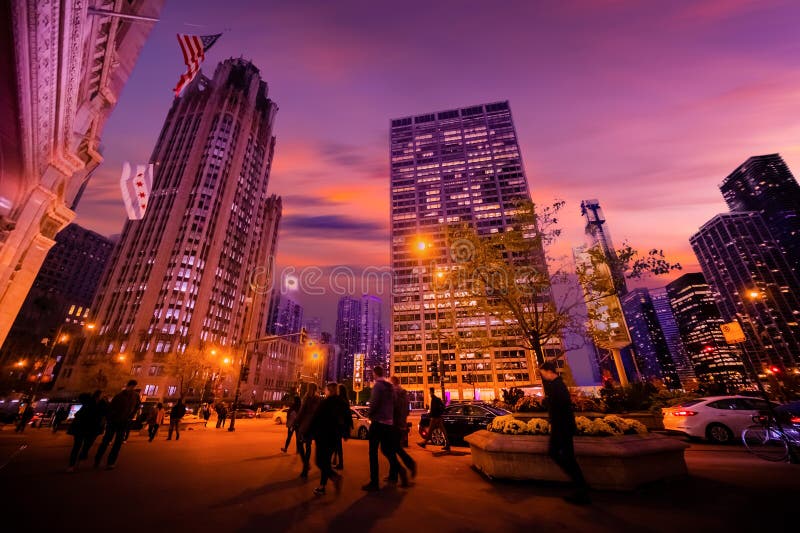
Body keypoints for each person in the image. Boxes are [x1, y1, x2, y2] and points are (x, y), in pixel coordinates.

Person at [539, 361, 590, 505]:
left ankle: (581, 487)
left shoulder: (556, 385)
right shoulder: (558, 384)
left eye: (542, 373)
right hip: (564, 426)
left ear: (549, 371)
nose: (543, 376)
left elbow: (559, 404)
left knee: (556, 453)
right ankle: (581, 488)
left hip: (561, 427)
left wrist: (545, 402)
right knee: (568, 457)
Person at [362, 366, 406, 491]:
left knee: (373, 453)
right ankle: (399, 473)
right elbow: (395, 402)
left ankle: (374, 482)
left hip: (378, 423)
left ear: (375, 374)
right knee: (389, 450)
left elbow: (374, 403)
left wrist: (369, 415)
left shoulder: (378, 386)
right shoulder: (390, 387)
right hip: (388, 423)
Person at [94, 380, 140, 469]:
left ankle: (111, 462)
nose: (132, 388)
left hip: (123, 421)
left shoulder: (135, 396)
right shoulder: (119, 396)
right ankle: (97, 459)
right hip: (114, 421)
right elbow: (111, 408)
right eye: (131, 386)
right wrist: (111, 418)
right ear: (127, 386)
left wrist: (131, 415)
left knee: (118, 443)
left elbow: (137, 405)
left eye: (133, 387)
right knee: (106, 441)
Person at [309, 383, 344, 496]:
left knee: (319, 461)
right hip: (334, 438)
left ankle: (335, 477)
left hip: (323, 437)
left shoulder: (326, 403)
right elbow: (345, 418)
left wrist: (308, 432)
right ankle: (322, 486)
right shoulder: (341, 402)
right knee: (326, 462)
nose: (325, 391)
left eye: (326, 390)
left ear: (330, 390)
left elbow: (316, 418)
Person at [389, 376, 417, 483]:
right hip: (401, 424)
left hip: (394, 425)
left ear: (393, 383)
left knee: (390, 449)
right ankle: (393, 475)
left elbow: (393, 409)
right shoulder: (404, 394)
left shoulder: (396, 392)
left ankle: (409, 465)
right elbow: (407, 411)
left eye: (390, 383)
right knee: (395, 448)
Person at [294, 383, 321, 478]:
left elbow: (315, 411)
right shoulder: (306, 397)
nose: (309, 389)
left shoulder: (316, 398)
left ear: (314, 389)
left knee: (308, 445)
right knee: (300, 444)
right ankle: (306, 464)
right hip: (305, 423)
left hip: (311, 425)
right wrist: (297, 420)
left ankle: (305, 468)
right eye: (309, 388)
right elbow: (301, 410)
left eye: (311, 388)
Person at [418, 387, 449, 451]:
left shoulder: (434, 399)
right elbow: (443, 407)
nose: (429, 393)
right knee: (442, 431)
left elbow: (434, 410)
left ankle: (424, 443)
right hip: (438, 417)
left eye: (430, 392)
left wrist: (431, 414)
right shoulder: (437, 399)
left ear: (431, 392)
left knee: (430, 431)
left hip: (435, 418)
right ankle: (447, 444)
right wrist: (439, 413)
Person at [332, 383, 353, 470]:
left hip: (338, 425)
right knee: (337, 443)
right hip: (342, 425)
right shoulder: (345, 401)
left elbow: (337, 413)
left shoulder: (339, 400)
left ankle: (340, 463)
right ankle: (336, 459)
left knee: (336, 444)